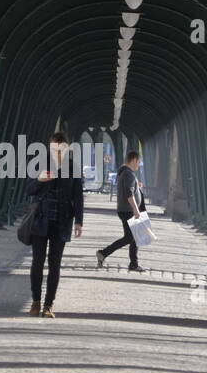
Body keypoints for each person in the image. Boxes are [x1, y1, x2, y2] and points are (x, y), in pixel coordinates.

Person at [25, 131, 84, 318]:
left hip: (62, 222)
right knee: (37, 262)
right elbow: (29, 190)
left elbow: (78, 197)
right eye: (53, 149)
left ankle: (48, 305)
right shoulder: (41, 165)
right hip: (41, 220)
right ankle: (35, 302)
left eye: (60, 149)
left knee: (55, 265)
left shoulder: (73, 168)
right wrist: (39, 180)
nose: (57, 152)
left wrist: (79, 221)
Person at [97, 150, 146, 273]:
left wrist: (137, 187)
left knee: (134, 237)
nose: (138, 165)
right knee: (130, 237)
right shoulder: (128, 174)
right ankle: (103, 253)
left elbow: (130, 190)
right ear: (134, 160)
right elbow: (129, 194)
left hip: (125, 209)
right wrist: (135, 209)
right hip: (128, 210)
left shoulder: (125, 173)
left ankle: (133, 263)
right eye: (138, 162)